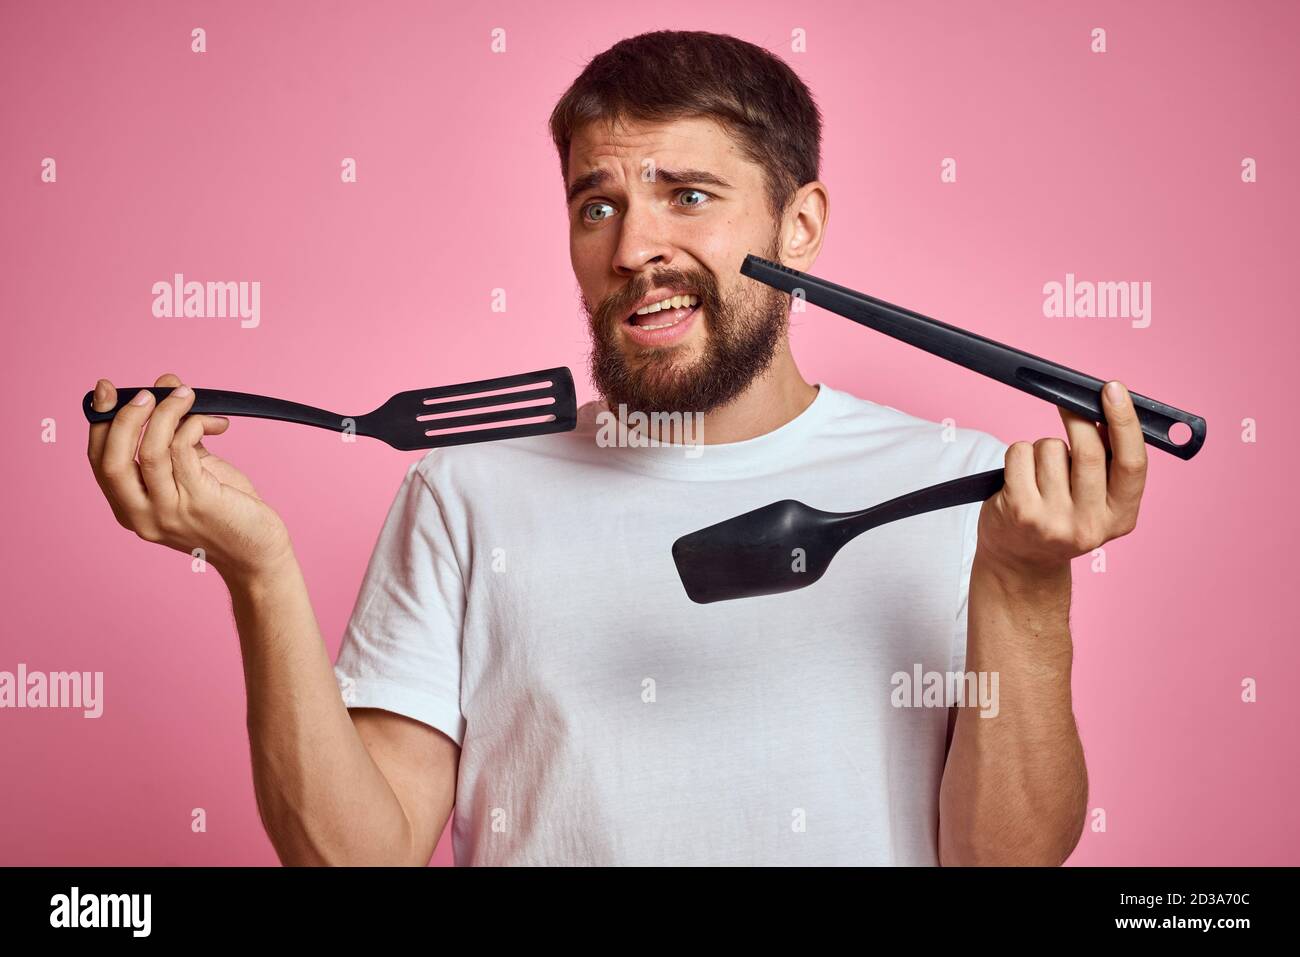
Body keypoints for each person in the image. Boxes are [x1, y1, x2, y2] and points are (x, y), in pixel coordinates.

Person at [85, 30, 1147, 866]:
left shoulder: (953, 488)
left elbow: (1003, 863)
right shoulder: (465, 492)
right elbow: (354, 858)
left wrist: (1023, 584)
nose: (634, 249)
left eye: (688, 195)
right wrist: (256, 567)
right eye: (598, 204)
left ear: (800, 228)